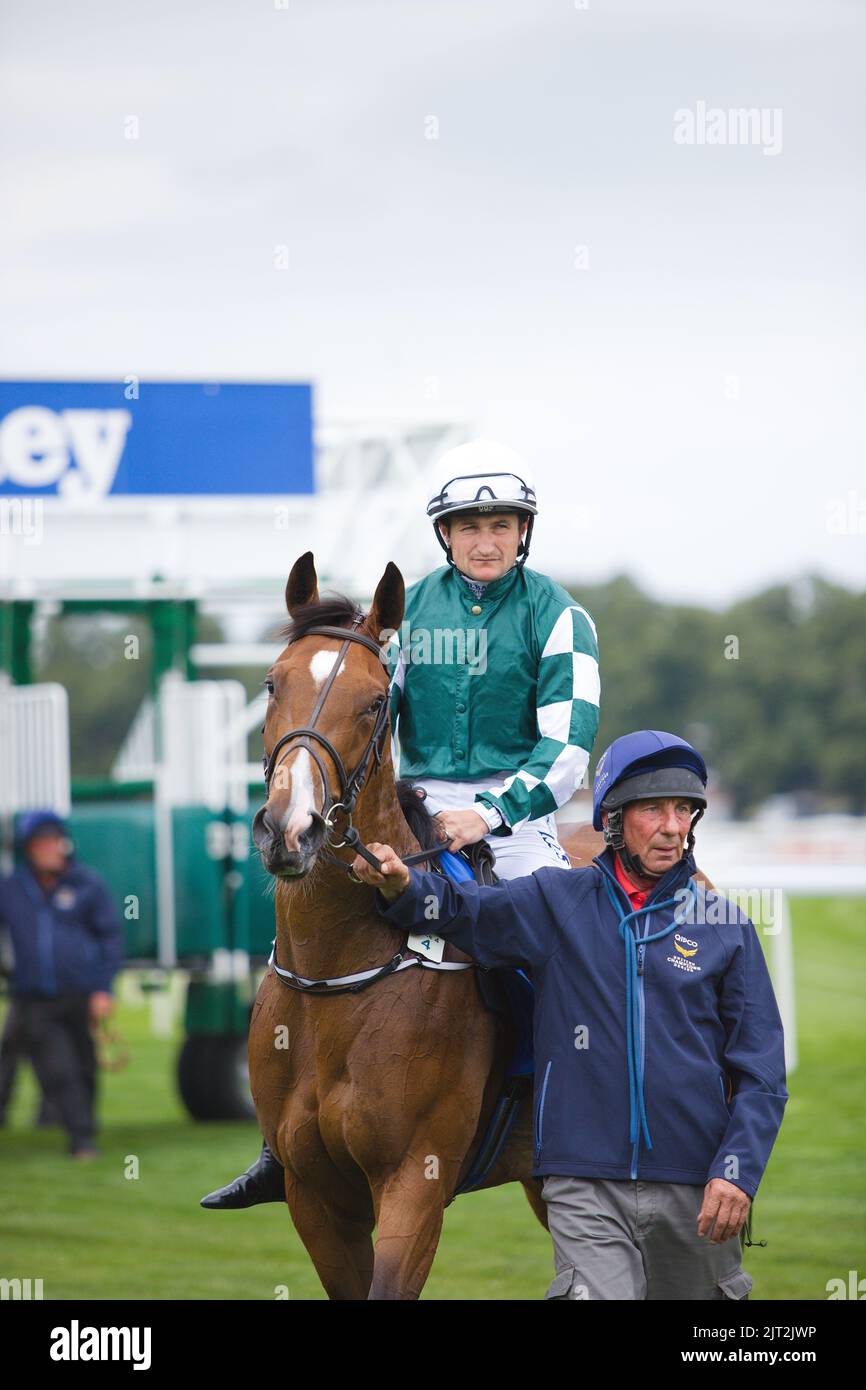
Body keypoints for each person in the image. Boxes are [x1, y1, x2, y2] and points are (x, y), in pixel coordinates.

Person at [201, 438, 601, 1209]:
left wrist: (484, 814)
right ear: (446, 536)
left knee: (563, 943)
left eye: (503, 525)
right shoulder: (409, 613)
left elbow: (567, 753)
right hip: (414, 805)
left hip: (515, 820)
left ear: (524, 533)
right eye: (470, 527)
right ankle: (279, 1145)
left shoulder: (561, 617)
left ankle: (564, 1119)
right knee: (305, 932)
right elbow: (365, 711)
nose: (487, 540)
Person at [350, 730, 788, 1301]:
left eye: (684, 810)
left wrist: (736, 1170)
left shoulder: (726, 927)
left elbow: (762, 1074)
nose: (673, 826)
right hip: (583, 1186)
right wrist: (403, 886)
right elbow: (466, 912)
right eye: (653, 809)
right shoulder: (558, 900)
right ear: (613, 820)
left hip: (697, 1189)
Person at [0, 809, 124, 1158]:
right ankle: (81, 1140)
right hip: (34, 997)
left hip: (80, 993)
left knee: (84, 1065)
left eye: (55, 841)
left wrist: (103, 989)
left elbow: (110, 937)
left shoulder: (87, 884)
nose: (51, 848)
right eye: (42, 843)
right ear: (28, 848)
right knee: (60, 1066)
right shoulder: (12, 888)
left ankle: (84, 1125)